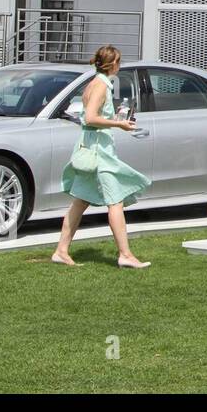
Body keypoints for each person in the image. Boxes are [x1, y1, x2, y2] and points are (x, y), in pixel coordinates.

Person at [51, 45, 153, 269]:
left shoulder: (96, 83)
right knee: (115, 201)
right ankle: (125, 254)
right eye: (119, 61)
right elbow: (91, 118)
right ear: (112, 64)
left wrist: (115, 120)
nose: (120, 65)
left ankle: (61, 250)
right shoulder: (99, 85)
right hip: (98, 151)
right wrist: (119, 123)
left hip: (94, 148)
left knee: (80, 201)